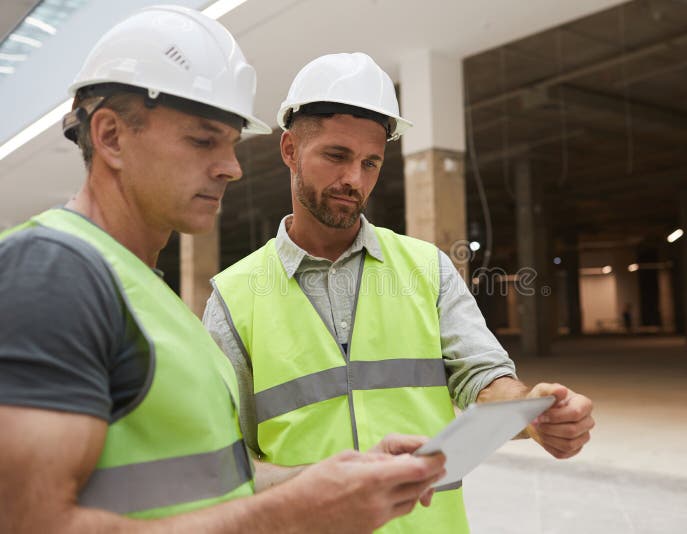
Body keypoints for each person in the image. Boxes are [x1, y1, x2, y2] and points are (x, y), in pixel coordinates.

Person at [0, 8, 447, 533]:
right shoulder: (52, 271)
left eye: (232, 143)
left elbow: (212, 484)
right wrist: (291, 515)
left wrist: (332, 478)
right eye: (202, 140)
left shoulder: (147, 292)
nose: (232, 167)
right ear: (111, 137)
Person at [204, 52, 596, 533]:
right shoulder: (234, 296)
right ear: (289, 150)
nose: (355, 179)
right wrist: (322, 485)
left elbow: (483, 379)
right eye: (336, 156)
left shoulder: (426, 268)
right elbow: (223, 467)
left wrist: (533, 413)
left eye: (371, 163)